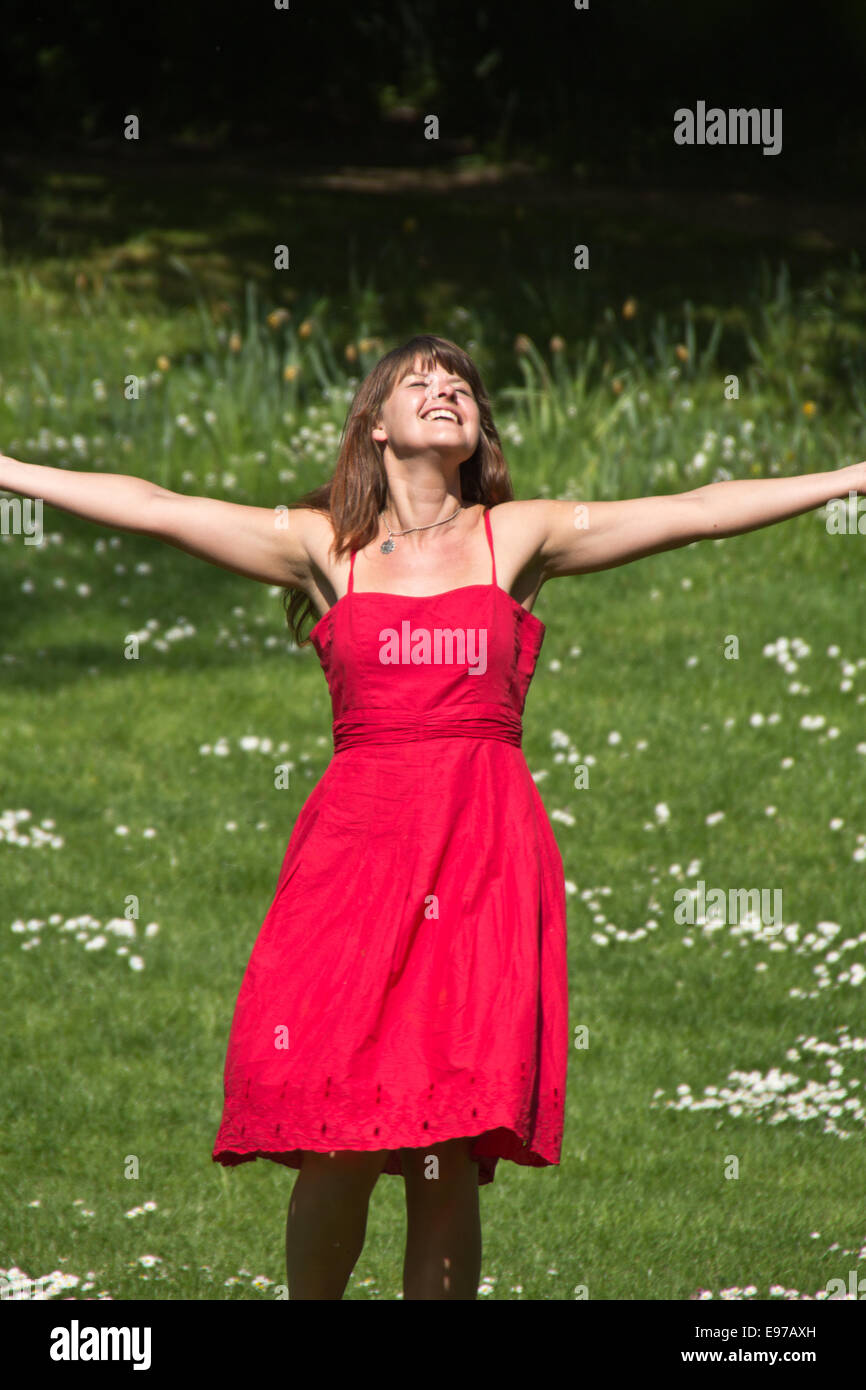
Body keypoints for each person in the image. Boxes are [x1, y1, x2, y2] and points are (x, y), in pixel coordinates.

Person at [2, 333, 862, 1302]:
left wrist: (845, 477)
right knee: (336, 1133)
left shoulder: (518, 536)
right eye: (419, 381)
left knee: (442, 1149)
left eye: (459, 383)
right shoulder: (323, 546)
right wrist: (11, 470)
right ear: (375, 426)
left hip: (481, 858)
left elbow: (693, 512)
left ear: (474, 431)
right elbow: (158, 506)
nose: (444, 388)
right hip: (353, 865)